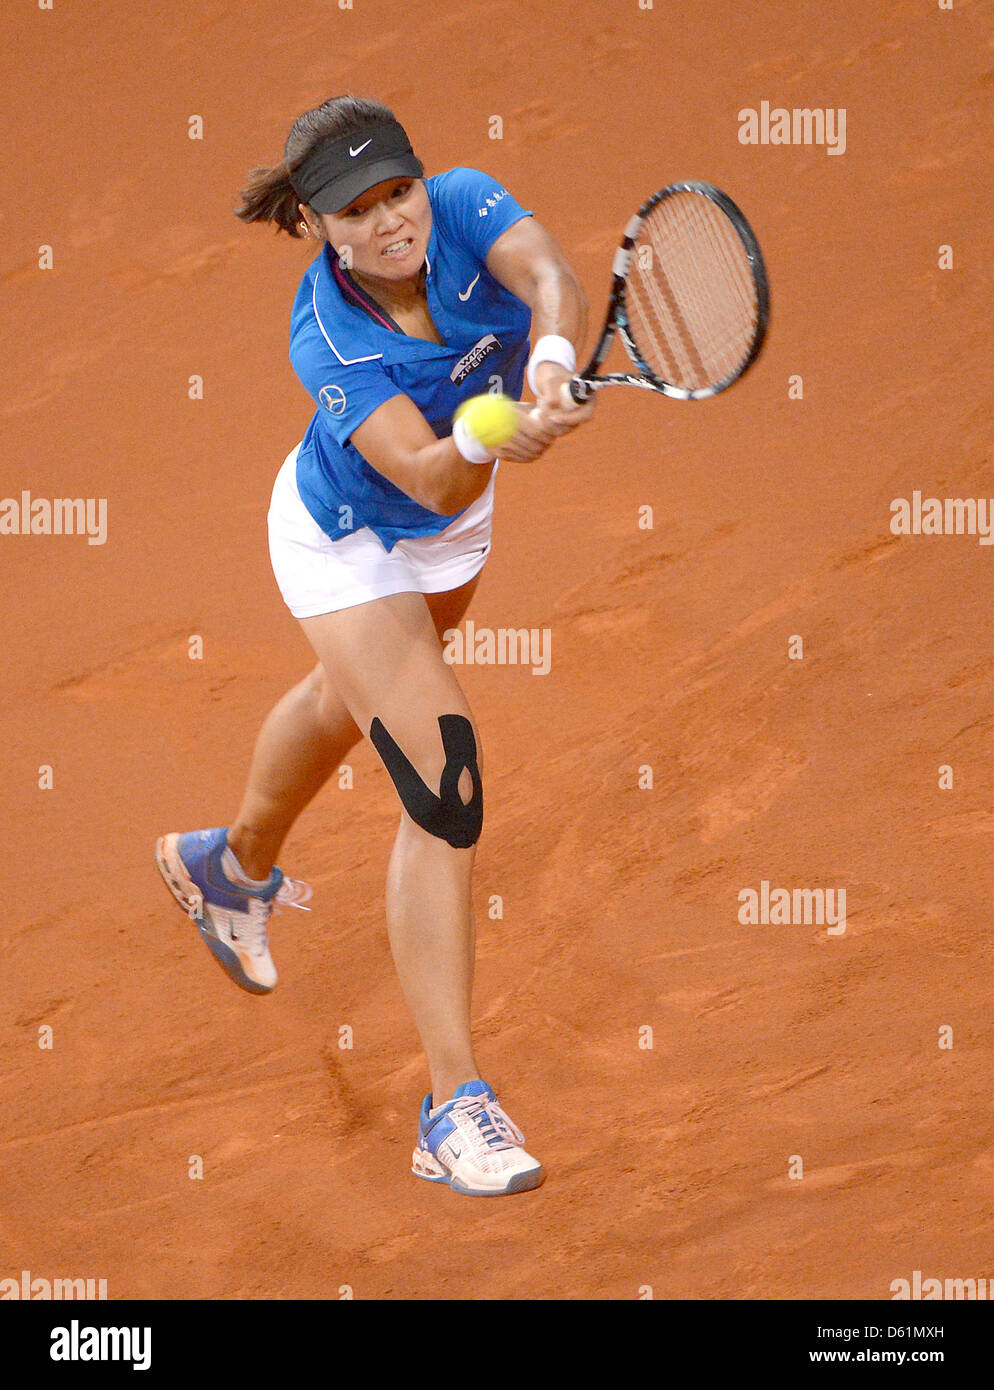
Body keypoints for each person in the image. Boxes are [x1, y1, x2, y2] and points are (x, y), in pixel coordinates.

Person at [155, 94, 595, 1197]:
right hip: (345, 541)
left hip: (447, 543)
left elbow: (551, 276)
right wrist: (501, 424)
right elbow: (435, 471)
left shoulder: (461, 203)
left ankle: (229, 865)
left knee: (353, 702)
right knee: (442, 779)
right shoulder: (328, 332)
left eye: (398, 188)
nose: (393, 218)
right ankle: (454, 1104)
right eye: (359, 207)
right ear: (318, 224)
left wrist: (546, 357)